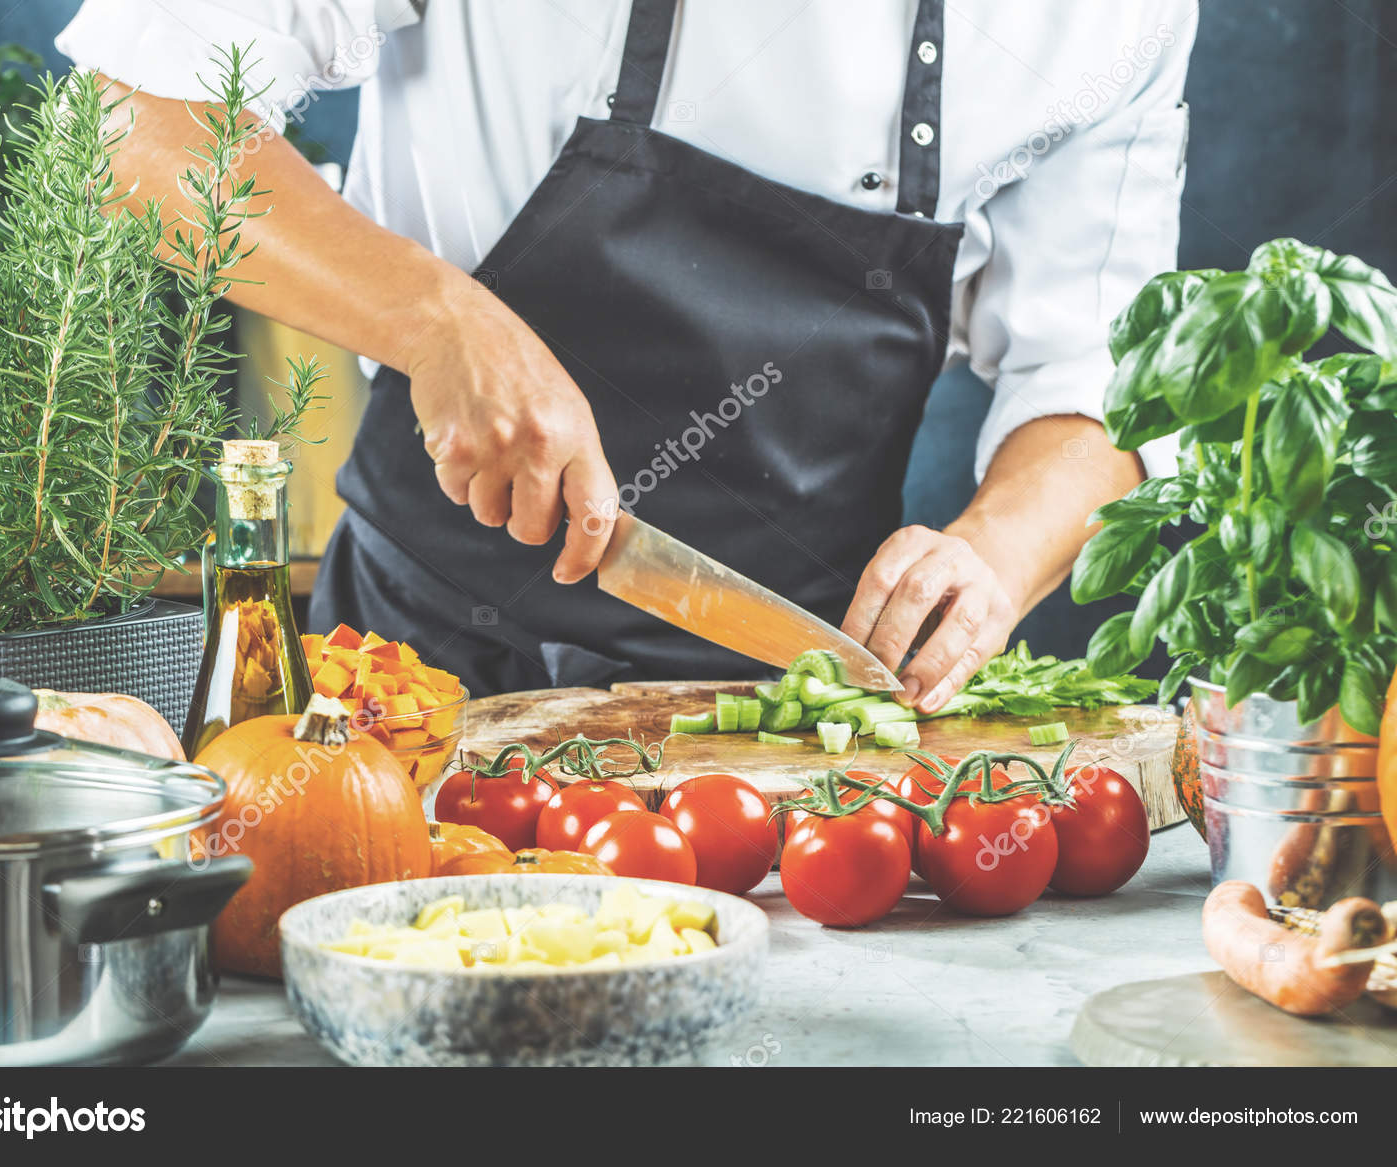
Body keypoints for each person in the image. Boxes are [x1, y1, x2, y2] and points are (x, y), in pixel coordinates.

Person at [58, 0, 1196, 707]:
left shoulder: (1111, 16)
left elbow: (1100, 379)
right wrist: (437, 320)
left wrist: (992, 558)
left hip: (782, 709)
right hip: (410, 661)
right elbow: (137, 121)